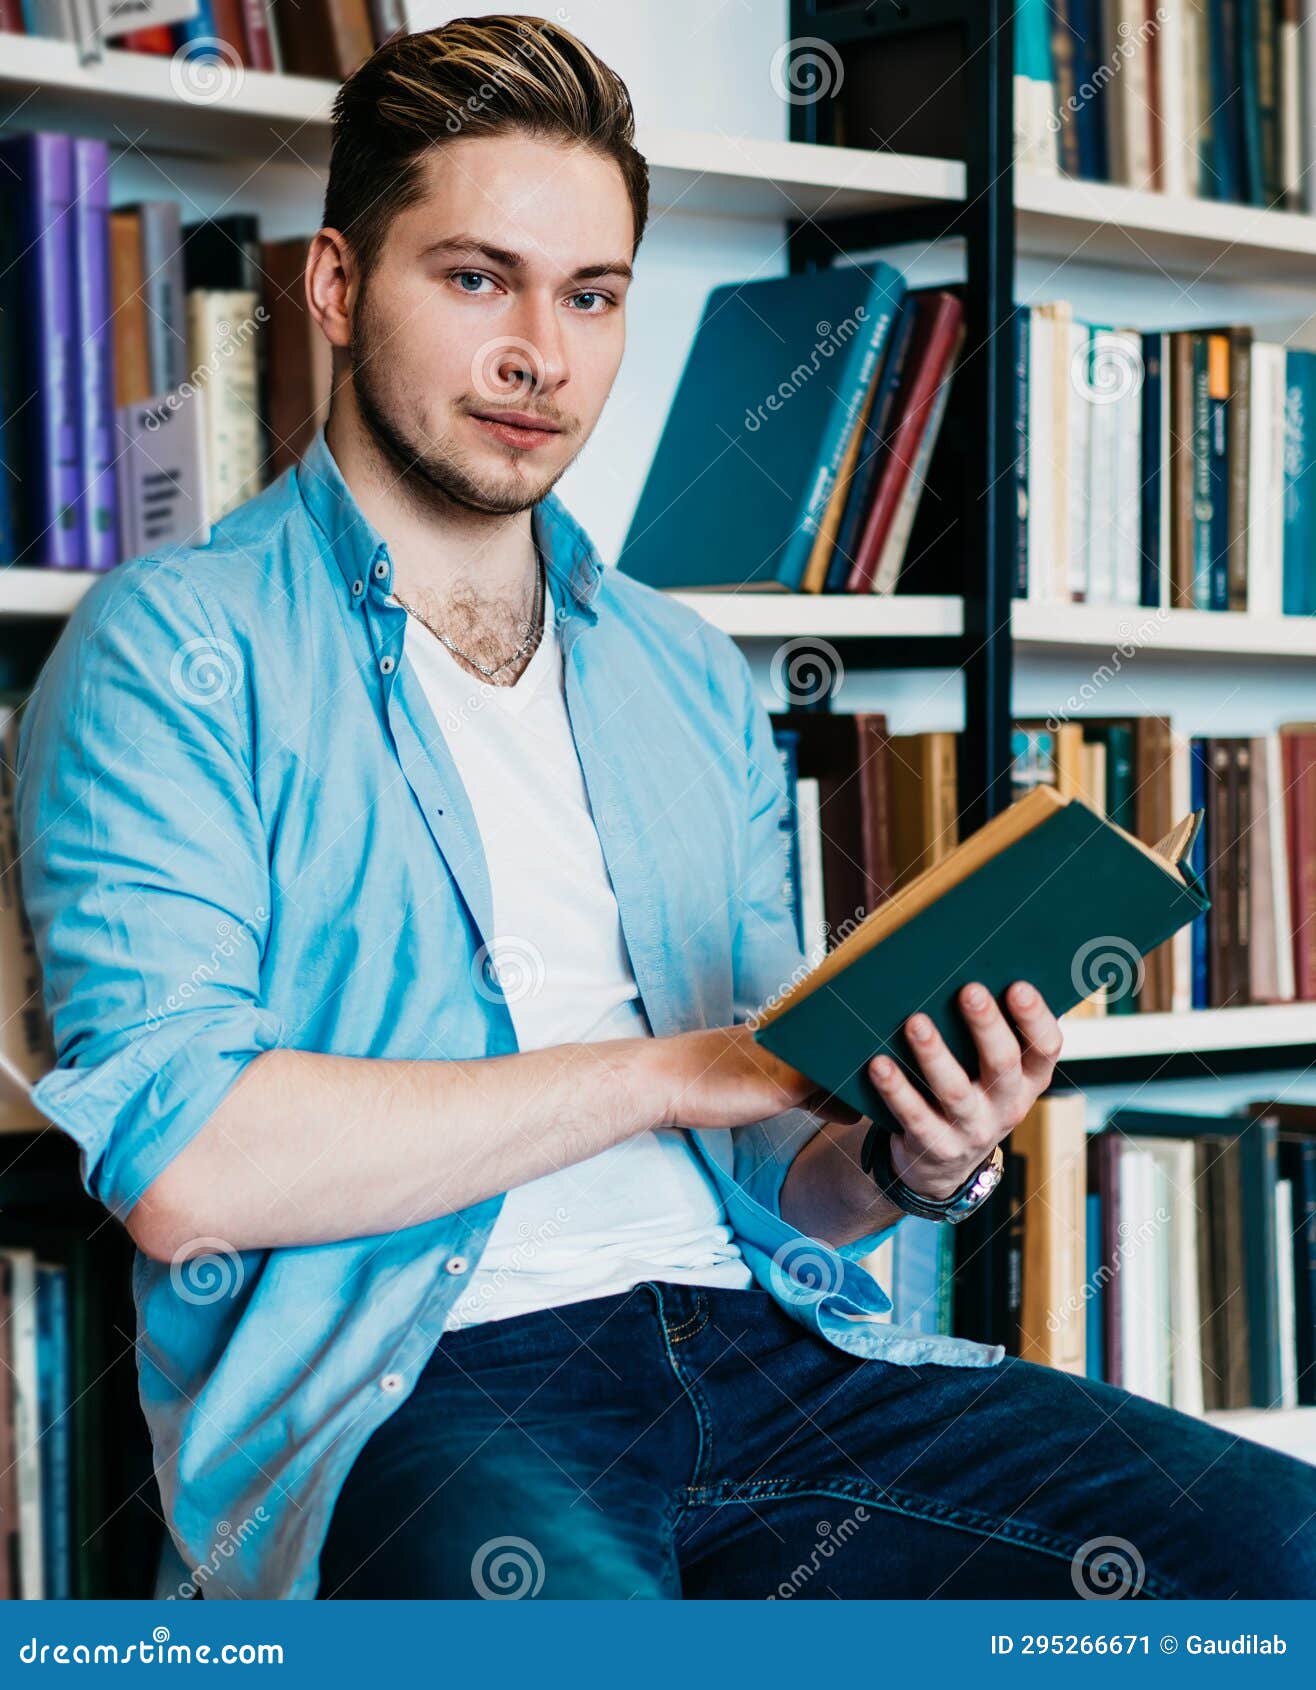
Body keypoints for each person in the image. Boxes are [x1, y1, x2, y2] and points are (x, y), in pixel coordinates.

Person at [15, 16, 1316, 1601]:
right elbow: (189, 1169)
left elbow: (785, 1156)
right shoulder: (174, 645)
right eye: (477, 277)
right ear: (340, 288)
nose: (541, 357)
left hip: (777, 1346)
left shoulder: (687, 673)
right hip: (430, 1391)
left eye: (593, 295)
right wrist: (664, 1073)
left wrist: (908, 1157)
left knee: (1281, 1550)